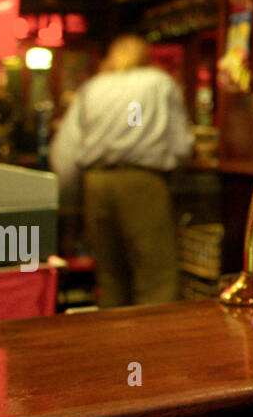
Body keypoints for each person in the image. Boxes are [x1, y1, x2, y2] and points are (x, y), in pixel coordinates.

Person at [51, 34, 194, 307]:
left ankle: (113, 333)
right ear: (145, 56)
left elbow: (65, 151)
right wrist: (175, 168)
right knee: (156, 275)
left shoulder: (93, 87)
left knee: (110, 275)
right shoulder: (159, 83)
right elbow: (181, 144)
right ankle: (155, 334)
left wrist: (68, 201)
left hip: (96, 183)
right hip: (142, 181)